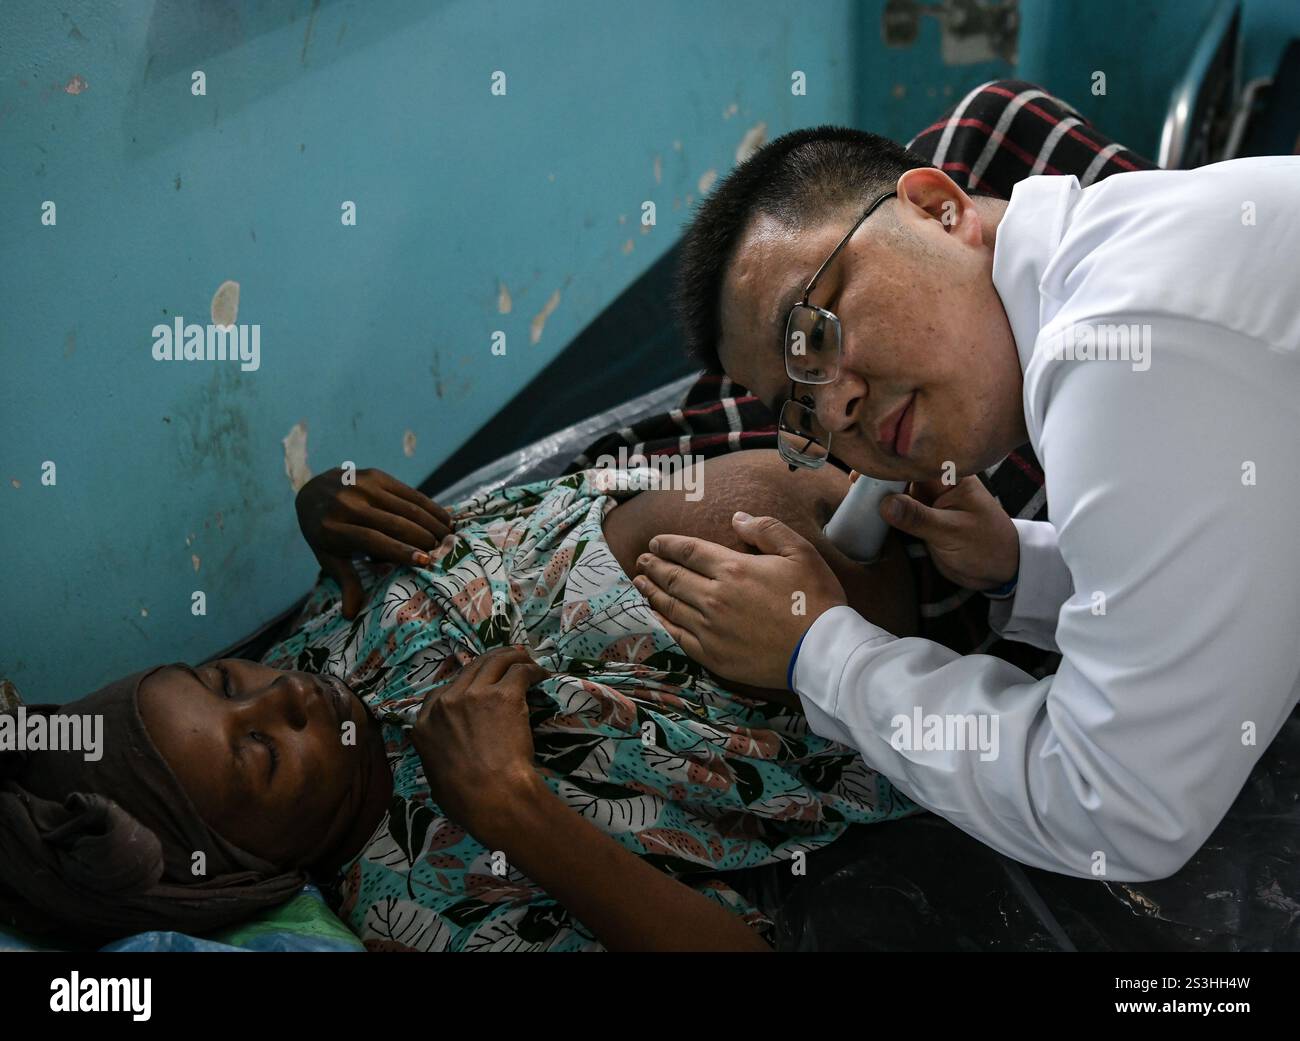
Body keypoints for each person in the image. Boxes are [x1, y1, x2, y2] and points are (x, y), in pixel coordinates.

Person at [635, 88, 1300, 882]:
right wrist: (1024, 567)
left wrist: (823, 656)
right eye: (799, 408)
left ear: (937, 207)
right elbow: (1244, 572)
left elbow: (1120, 807)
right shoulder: (1120, 274)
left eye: (811, 332)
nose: (837, 404)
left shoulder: (1120, 348)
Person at [0, 453, 919, 950]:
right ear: (249, 868)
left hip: (791, 486)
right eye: (263, 753)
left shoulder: (314, 653)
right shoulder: (424, 908)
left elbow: (386, 549)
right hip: (861, 669)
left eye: (225, 679)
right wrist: (514, 808)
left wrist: (331, 501)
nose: (286, 697)